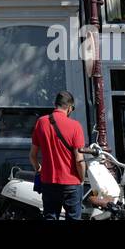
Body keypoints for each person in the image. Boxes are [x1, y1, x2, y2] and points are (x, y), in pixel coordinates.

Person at [29, 90, 86, 221]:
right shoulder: (75, 126)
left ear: (56, 105)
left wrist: (39, 170)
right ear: (70, 108)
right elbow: (79, 160)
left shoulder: (41, 122)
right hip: (71, 183)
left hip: (48, 182)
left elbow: (32, 155)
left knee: (50, 216)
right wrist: (81, 179)